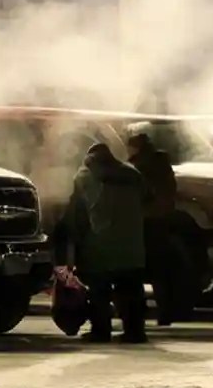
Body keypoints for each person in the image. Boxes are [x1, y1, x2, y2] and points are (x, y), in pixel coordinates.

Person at [63, 143, 149, 343]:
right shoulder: (133, 174)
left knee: (99, 291)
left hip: (98, 245)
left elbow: (77, 213)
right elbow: (148, 199)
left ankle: (101, 331)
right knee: (131, 291)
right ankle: (135, 331)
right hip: (131, 244)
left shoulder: (84, 176)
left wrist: (74, 242)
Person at [127, 132, 179, 326]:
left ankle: (144, 311)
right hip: (163, 220)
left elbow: (140, 193)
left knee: (139, 269)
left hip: (146, 221)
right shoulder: (162, 163)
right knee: (160, 271)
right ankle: (166, 310)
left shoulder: (140, 166)